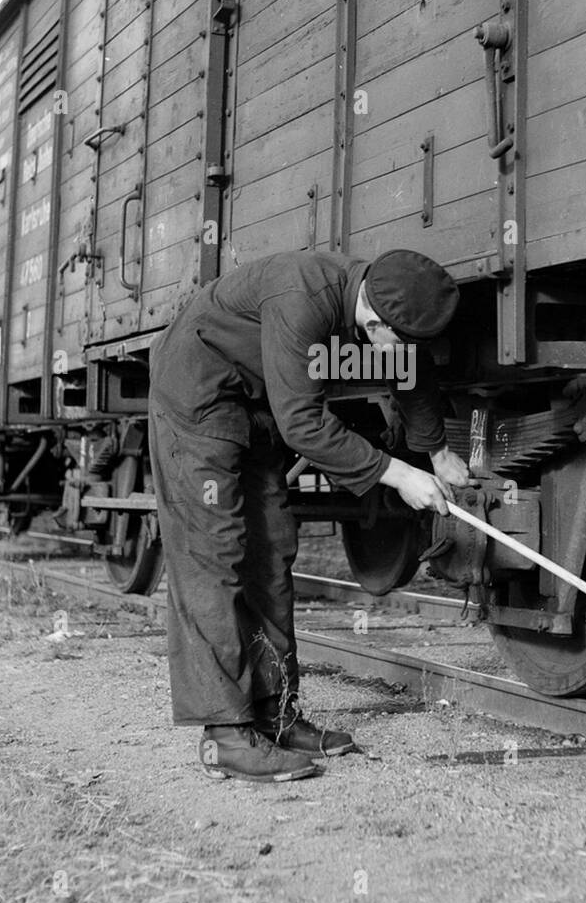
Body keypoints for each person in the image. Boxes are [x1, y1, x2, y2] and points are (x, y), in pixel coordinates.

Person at [147, 248, 469, 783]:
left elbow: (410, 374)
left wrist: (436, 453)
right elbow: (303, 425)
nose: (405, 357)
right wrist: (399, 474)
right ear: (372, 320)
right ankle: (225, 735)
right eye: (401, 344)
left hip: (255, 406)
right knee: (216, 553)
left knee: (272, 549)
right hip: (197, 402)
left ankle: (275, 715)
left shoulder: (372, 313)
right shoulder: (301, 300)